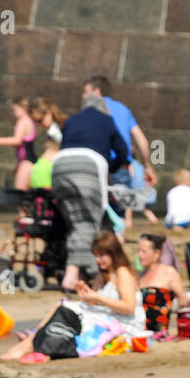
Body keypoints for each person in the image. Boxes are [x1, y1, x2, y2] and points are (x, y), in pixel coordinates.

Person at [0, 230, 140, 361]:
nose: (98, 259)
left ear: (113, 253)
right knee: (63, 305)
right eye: (96, 255)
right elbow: (94, 303)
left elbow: (129, 307)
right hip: (106, 316)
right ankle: (32, 340)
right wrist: (85, 293)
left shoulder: (122, 272)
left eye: (102, 255)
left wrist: (96, 298)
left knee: (66, 309)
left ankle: (29, 342)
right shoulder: (102, 274)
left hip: (123, 322)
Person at [48, 96, 128, 292]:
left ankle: (77, 272)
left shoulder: (71, 120)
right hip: (89, 166)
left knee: (74, 223)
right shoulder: (106, 120)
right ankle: (75, 274)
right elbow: (123, 151)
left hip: (59, 166)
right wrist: (111, 167)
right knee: (89, 222)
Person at [82, 75, 159, 216]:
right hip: (121, 167)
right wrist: (147, 166)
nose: (83, 96)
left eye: (86, 92)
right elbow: (143, 141)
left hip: (97, 166)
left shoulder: (90, 111)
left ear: (97, 91)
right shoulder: (124, 110)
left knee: (95, 212)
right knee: (119, 213)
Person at [137, 233, 189, 336]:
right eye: (138, 251)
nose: (139, 255)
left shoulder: (169, 273)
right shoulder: (137, 276)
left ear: (157, 253)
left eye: (143, 251)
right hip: (137, 331)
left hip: (159, 333)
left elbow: (183, 300)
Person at [0, 98, 38, 191]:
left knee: (19, 196)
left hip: (26, 162)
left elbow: (17, 140)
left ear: (24, 108)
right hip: (29, 161)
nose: (13, 113)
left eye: (14, 110)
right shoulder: (29, 121)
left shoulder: (23, 122)